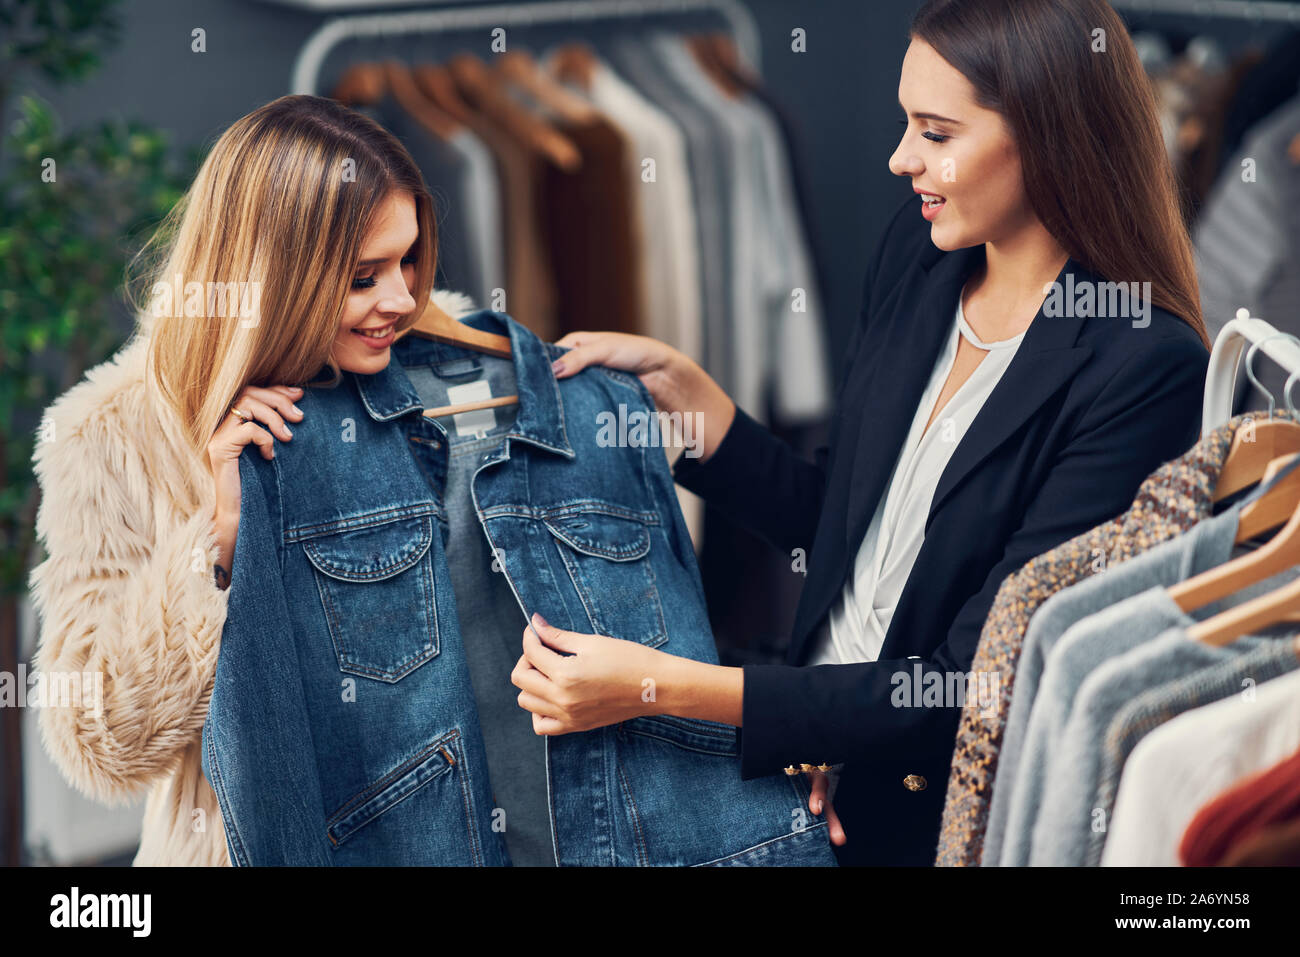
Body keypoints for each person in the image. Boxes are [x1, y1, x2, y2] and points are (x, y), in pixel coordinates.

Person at [511, 0, 1213, 866]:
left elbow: (971, 682)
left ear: (1048, 137)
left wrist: (663, 689)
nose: (900, 157)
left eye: (937, 132)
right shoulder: (923, 260)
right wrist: (700, 416)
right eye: (904, 121)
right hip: (803, 751)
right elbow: (846, 525)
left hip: (924, 815)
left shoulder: (1143, 367)